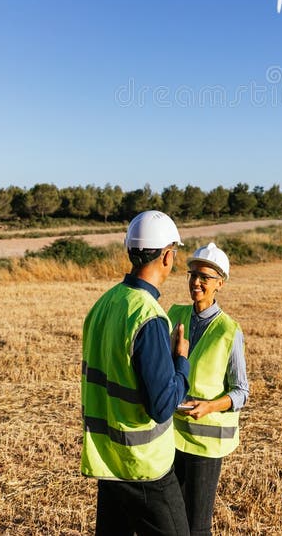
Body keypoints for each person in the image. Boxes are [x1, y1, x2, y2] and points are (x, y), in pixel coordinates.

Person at [81, 210, 191, 536]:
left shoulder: (105, 304)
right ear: (168, 256)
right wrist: (181, 362)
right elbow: (161, 405)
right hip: (144, 468)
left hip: (108, 461)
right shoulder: (148, 316)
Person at [168, 243, 249, 536]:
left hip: (207, 444)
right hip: (172, 436)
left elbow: (242, 391)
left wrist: (210, 406)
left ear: (220, 283)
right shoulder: (174, 314)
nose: (196, 282)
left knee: (197, 524)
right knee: (171, 520)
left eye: (205, 277)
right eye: (192, 275)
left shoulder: (230, 330)